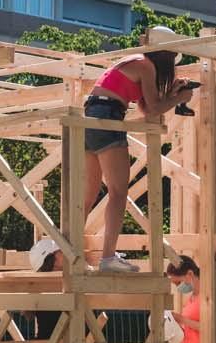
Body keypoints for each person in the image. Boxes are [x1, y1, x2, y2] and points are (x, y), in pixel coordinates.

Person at [83, 26, 194, 272]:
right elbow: (154, 111)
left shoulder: (135, 62)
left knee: (88, 195)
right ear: (165, 54)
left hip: (91, 115)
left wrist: (173, 93)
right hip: (108, 115)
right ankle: (108, 258)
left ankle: (68, 253)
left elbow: (146, 107)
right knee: (118, 191)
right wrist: (179, 99)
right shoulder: (146, 65)